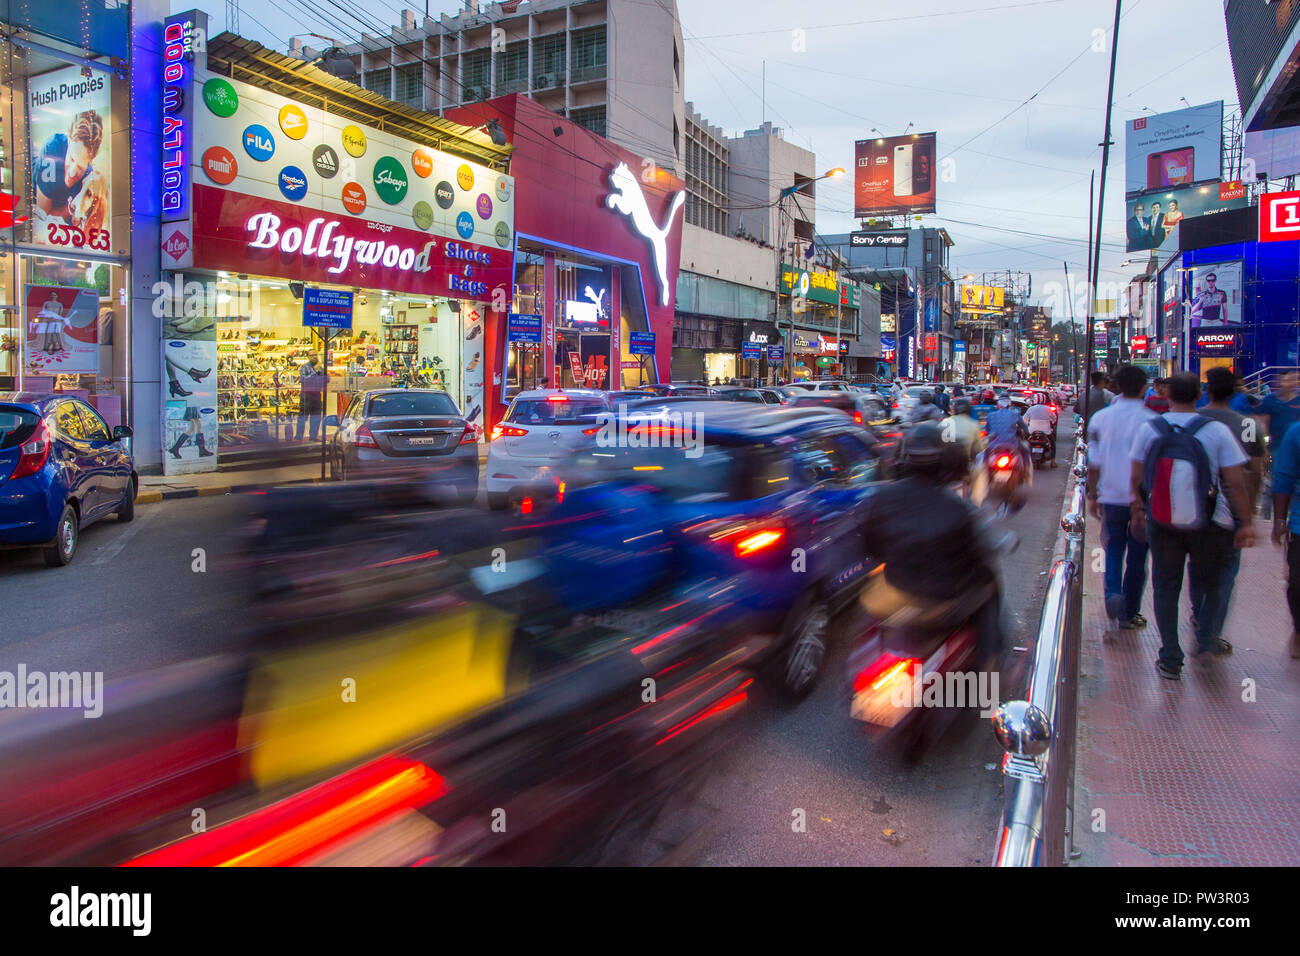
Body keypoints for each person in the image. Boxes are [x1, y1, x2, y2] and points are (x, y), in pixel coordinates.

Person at [1129, 372, 1254, 680]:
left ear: (1168, 395)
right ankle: (1206, 638)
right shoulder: (1217, 431)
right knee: (1213, 582)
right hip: (1209, 523)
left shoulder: (1150, 429)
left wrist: (1138, 509)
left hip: (1163, 521)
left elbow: (1136, 477)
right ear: (1199, 394)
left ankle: (1170, 657)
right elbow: (1236, 484)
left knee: (1166, 587)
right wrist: (1246, 522)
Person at [859, 421, 1005, 669]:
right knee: (988, 589)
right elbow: (977, 554)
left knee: (866, 613)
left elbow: (870, 544)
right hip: (941, 600)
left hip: (894, 590)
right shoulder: (958, 508)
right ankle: (989, 662)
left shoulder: (883, 497)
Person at [1190, 366, 1266, 648]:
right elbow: (1256, 471)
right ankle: (1209, 633)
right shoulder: (1247, 425)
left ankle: (1199, 616)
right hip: (1233, 507)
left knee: (1197, 566)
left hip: (1196, 506)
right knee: (1225, 573)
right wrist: (1250, 509)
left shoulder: (1194, 420)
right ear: (1234, 393)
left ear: (1207, 390)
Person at [1087, 364, 1155, 630]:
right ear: (1142, 388)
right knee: (1138, 556)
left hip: (1111, 495)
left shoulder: (1101, 419)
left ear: (1116, 386)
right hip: (1141, 500)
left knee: (1113, 548)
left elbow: (1094, 461)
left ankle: (1113, 593)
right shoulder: (1151, 420)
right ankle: (1128, 611)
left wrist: (1093, 494)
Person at [34, 110, 104, 223]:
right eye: (71, 159)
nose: (72, 173)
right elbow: (41, 216)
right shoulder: (52, 149)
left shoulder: (88, 177)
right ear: (69, 141)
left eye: (80, 168)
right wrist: (70, 209)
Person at [1268, 411, 1300, 659]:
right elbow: (1284, 477)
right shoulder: (1295, 432)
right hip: (1299, 525)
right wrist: (1279, 520)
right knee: (1297, 583)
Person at [296, 352, 329, 443]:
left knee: (316, 416)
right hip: (306, 394)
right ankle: (299, 436)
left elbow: (327, 379)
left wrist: (322, 374)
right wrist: (315, 372)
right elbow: (303, 379)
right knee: (303, 416)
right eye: (312, 355)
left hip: (317, 394)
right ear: (308, 357)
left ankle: (313, 436)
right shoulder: (305, 367)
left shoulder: (320, 368)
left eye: (315, 355)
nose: (314, 357)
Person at [1023, 397, 1057, 462]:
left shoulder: (1031, 408)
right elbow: (1054, 418)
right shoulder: (1048, 409)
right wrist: (1051, 422)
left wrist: (1028, 424)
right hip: (1046, 431)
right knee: (1052, 443)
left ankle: (1024, 459)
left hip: (1032, 430)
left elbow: (1025, 418)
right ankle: (1053, 461)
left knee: (1025, 441)